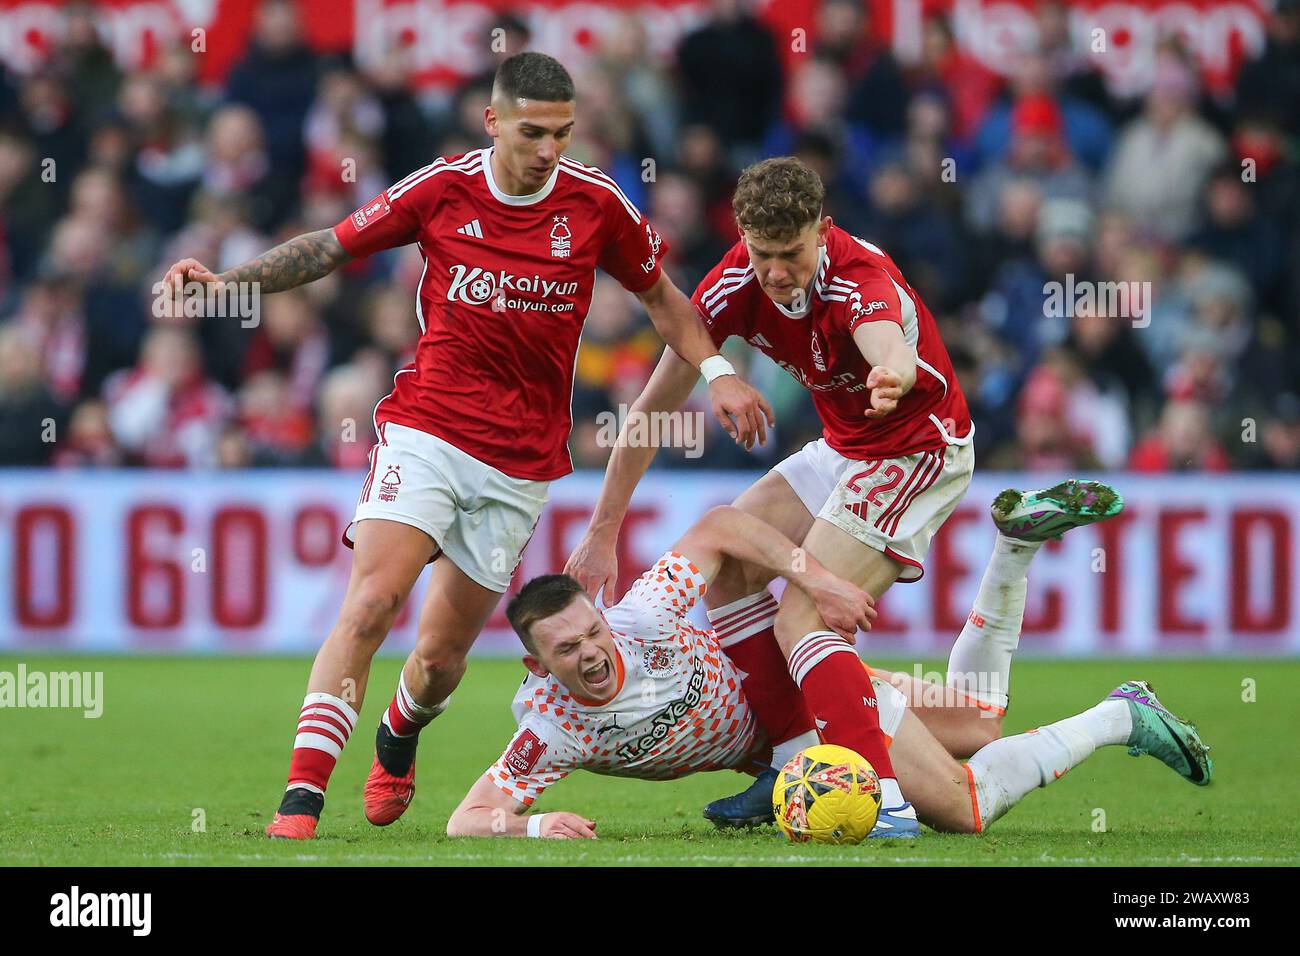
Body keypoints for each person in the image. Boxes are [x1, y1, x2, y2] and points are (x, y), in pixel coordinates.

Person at [159, 52, 772, 840]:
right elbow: (331, 246)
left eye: (562, 132)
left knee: (442, 658)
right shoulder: (443, 187)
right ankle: (301, 801)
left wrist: (718, 372)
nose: (549, 148)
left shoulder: (596, 206)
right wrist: (230, 284)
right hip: (428, 428)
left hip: (519, 465)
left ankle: (400, 732)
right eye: (531, 132)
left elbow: (664, 302)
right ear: (492, 123)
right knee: (373, 601)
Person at [567, 155, 976, 836]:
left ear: (822, 229)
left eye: (791, 253)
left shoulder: (859, 280)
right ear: (742, 236)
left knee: (802, 620)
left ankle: (885, 802)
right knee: (727, 565)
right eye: (763, 254)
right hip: (846, 448)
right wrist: (602, 530)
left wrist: (892, 376)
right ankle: (791, 761)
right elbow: (649, 411)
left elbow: (889, 346)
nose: (777, 271)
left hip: (916, 447)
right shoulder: (732, 284)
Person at [448, 499, 1211, 839]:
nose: (589, 653)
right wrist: (540, 825)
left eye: (590, 632)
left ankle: (1120, 715)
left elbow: (717, 526)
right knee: (981, 719)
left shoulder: (643, 616)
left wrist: (809, 577)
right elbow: (468, 820)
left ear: (602, 615)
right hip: (784, 730)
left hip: (804, 706)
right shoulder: (551, 727)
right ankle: (1011, 552)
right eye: (567, 650)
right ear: (536, 664)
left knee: (963, 807)